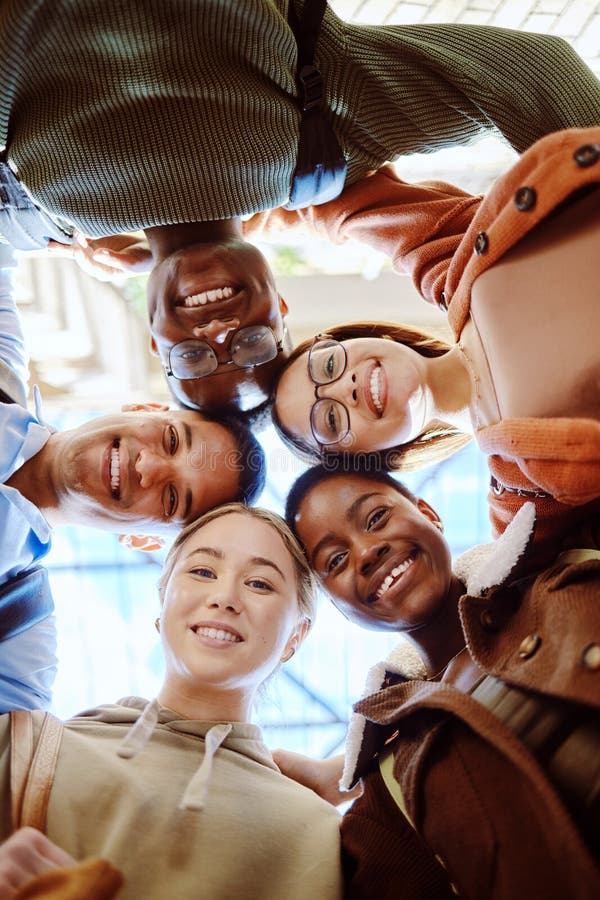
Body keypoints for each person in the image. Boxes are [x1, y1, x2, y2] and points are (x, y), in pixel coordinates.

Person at [3, 2, 600, 414]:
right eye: (252, 347)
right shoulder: (315, 147)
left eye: (192, 356)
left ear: (156, 342)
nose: (218, 333)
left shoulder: (45, 208)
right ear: (281, 307)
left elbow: (538, 73)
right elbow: (532, 72)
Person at [279, 464, 600, 900]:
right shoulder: (391, 794)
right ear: (336, 605)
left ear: (429, 513)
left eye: (376, 518)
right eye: (335, 560)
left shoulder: (577, 562)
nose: (366, 552)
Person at [0, 504, 343, 900]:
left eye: (260, 584)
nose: (225, 597)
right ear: (163, 600)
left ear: (295, 637)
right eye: (202, 572)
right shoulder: (25, 742)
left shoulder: (314, 832)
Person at [256, 126, 600, 515]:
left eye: (329, 365)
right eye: (331, 420)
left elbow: (328, 196)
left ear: (361, 337)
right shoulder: (521, 498)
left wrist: (217, 236)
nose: (343, 389)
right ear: (375, 458)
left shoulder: (452, 264)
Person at [0, 242, 265, 713]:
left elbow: (16, 758)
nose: (147, 467)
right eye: (170, 440)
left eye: (170, 500)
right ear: (143, 408)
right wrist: (84, 229)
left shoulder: (17, 628)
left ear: (143, 542)